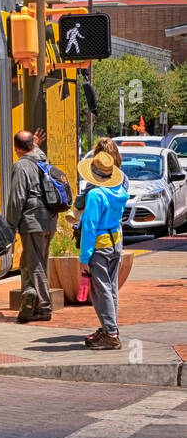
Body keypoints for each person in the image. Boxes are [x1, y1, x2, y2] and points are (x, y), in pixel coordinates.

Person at [77, 150, 129, 350]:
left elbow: (89, 227)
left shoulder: (96, 195)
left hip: (99, 245)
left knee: (101, 290)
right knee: (111, 288)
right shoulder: (119, 192)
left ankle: (111, 333)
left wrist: (84, 257)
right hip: (115, 242)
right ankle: (110, 328)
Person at [4, 129, 57, 323]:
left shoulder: (21, 166)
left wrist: (10, 226)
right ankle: (30, 295)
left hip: (32, 221)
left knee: (35, 266)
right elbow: (36, 151)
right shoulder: (42, 159)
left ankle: (43, 307)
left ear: (17, 149)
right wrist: (35, 144)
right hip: (50, 219)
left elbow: (17, 199)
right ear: (32, 146)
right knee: (30, 262)